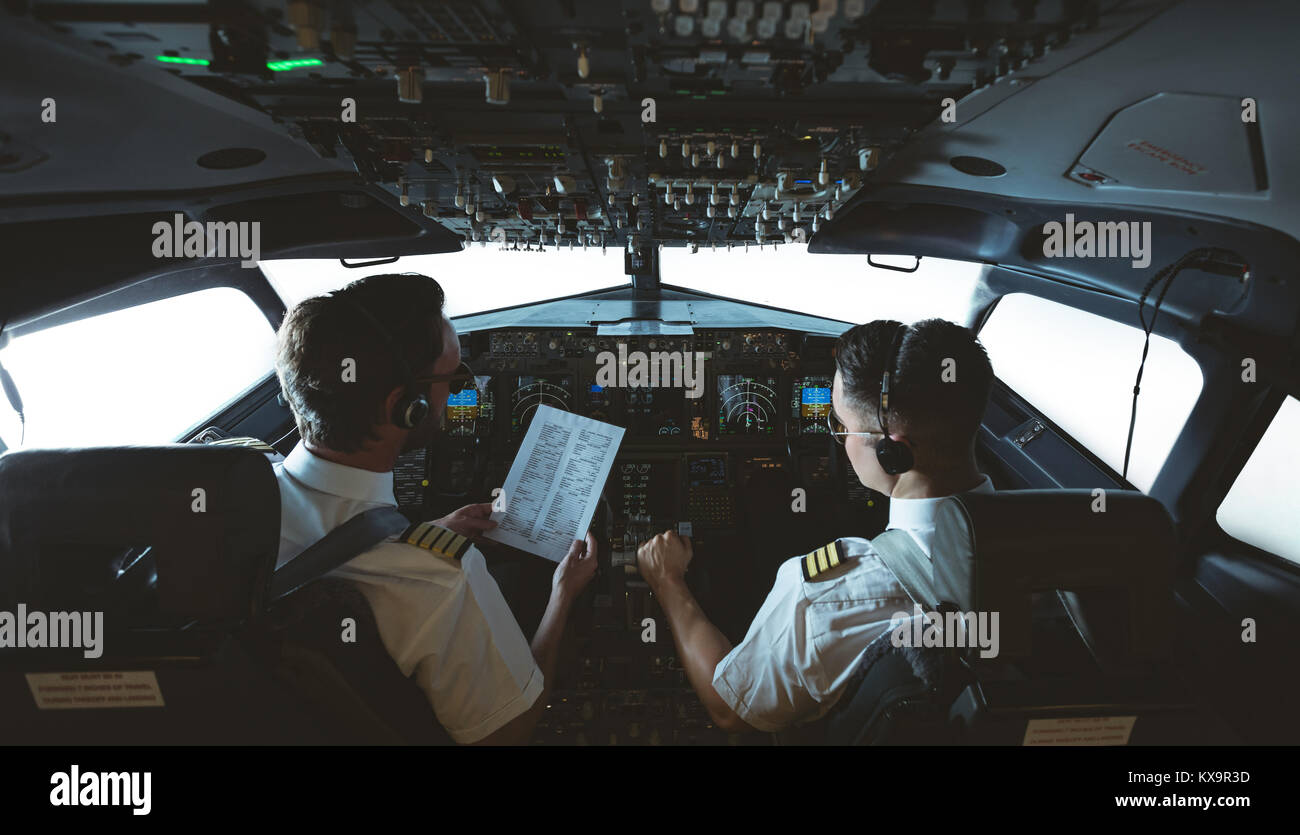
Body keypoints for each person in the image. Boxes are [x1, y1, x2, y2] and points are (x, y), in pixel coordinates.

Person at [274, 272, 596, 744]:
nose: (462, 391)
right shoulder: (438, 582)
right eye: (453, 378)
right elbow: (510, 732)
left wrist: (425, 532)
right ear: (407, 407)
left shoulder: (233, 502)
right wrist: (564, 593)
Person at [636, 318, 996, 734]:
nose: (839, 441)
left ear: (890, 453)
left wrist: (667, 581)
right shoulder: (1069, 551)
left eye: (841, 426)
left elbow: (728, 709)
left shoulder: (824, 597)